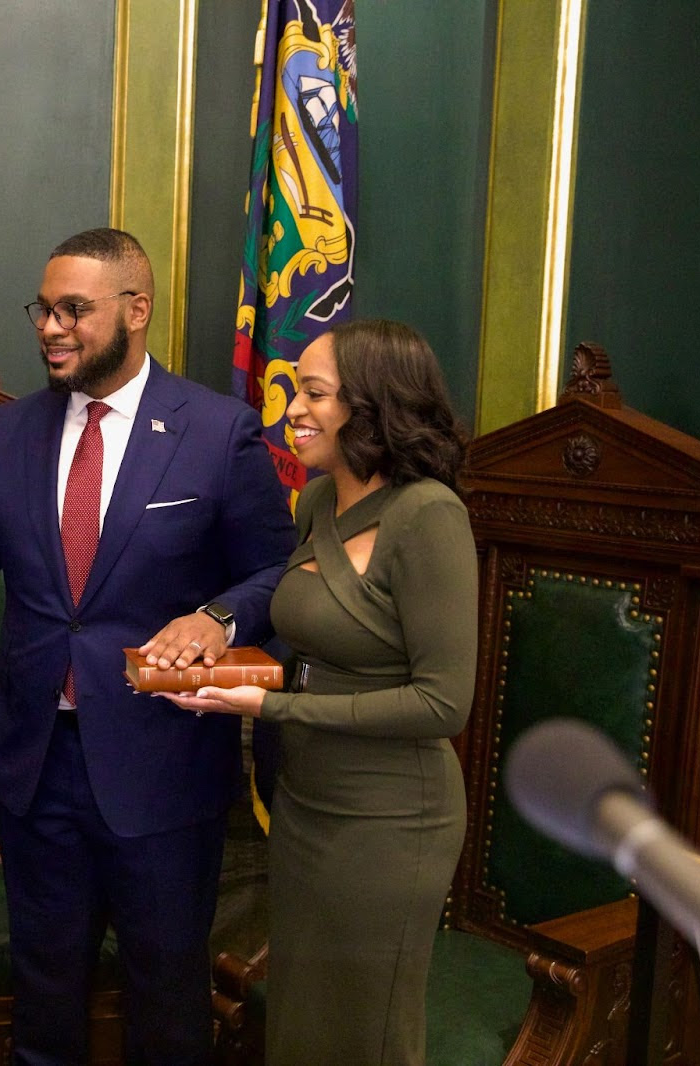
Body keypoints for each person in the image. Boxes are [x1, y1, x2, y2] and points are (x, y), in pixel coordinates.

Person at [0, 228, 295, 1064]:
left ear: (135, 310)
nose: (51, 327)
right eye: (44, 309)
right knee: (45, 1000)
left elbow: (279, 571)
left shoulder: (216, 431)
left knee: (167, 1005)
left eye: (75, 309)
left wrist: (218, 616)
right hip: (40, 769)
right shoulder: (14, 433)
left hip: (163, 766)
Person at [162, 319, 477, 1066]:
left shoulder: (430, 515)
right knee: (302, 1029)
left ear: (372, 406)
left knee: (365, 1036)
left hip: (390, 822)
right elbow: (314, 652)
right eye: (293, 391)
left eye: (313, 393)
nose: (291, 410)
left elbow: (442, 704)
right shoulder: (313, 504)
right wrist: (220, 669)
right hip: (305, 805)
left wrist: (267, 706)